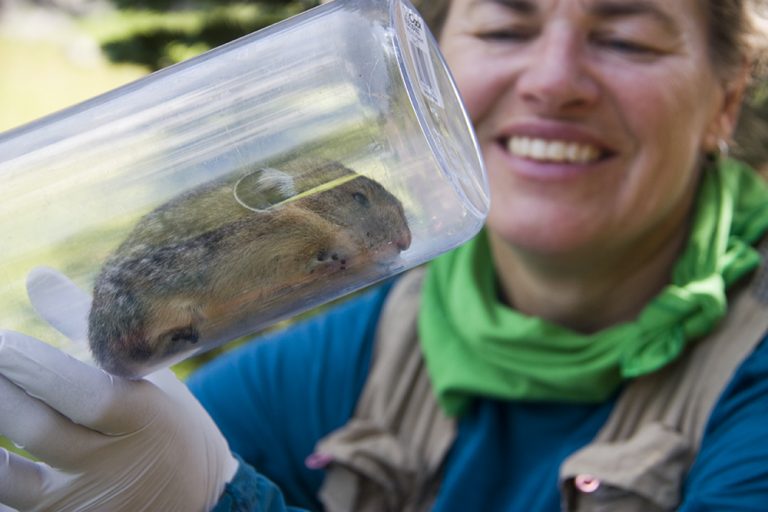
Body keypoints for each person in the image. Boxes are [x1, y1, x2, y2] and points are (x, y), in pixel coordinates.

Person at [1, 0, 767, 510]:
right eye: (505, 28)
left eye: (627, 38)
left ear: (726, 100)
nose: (554, 82)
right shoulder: (322, 368)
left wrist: (219, 496)